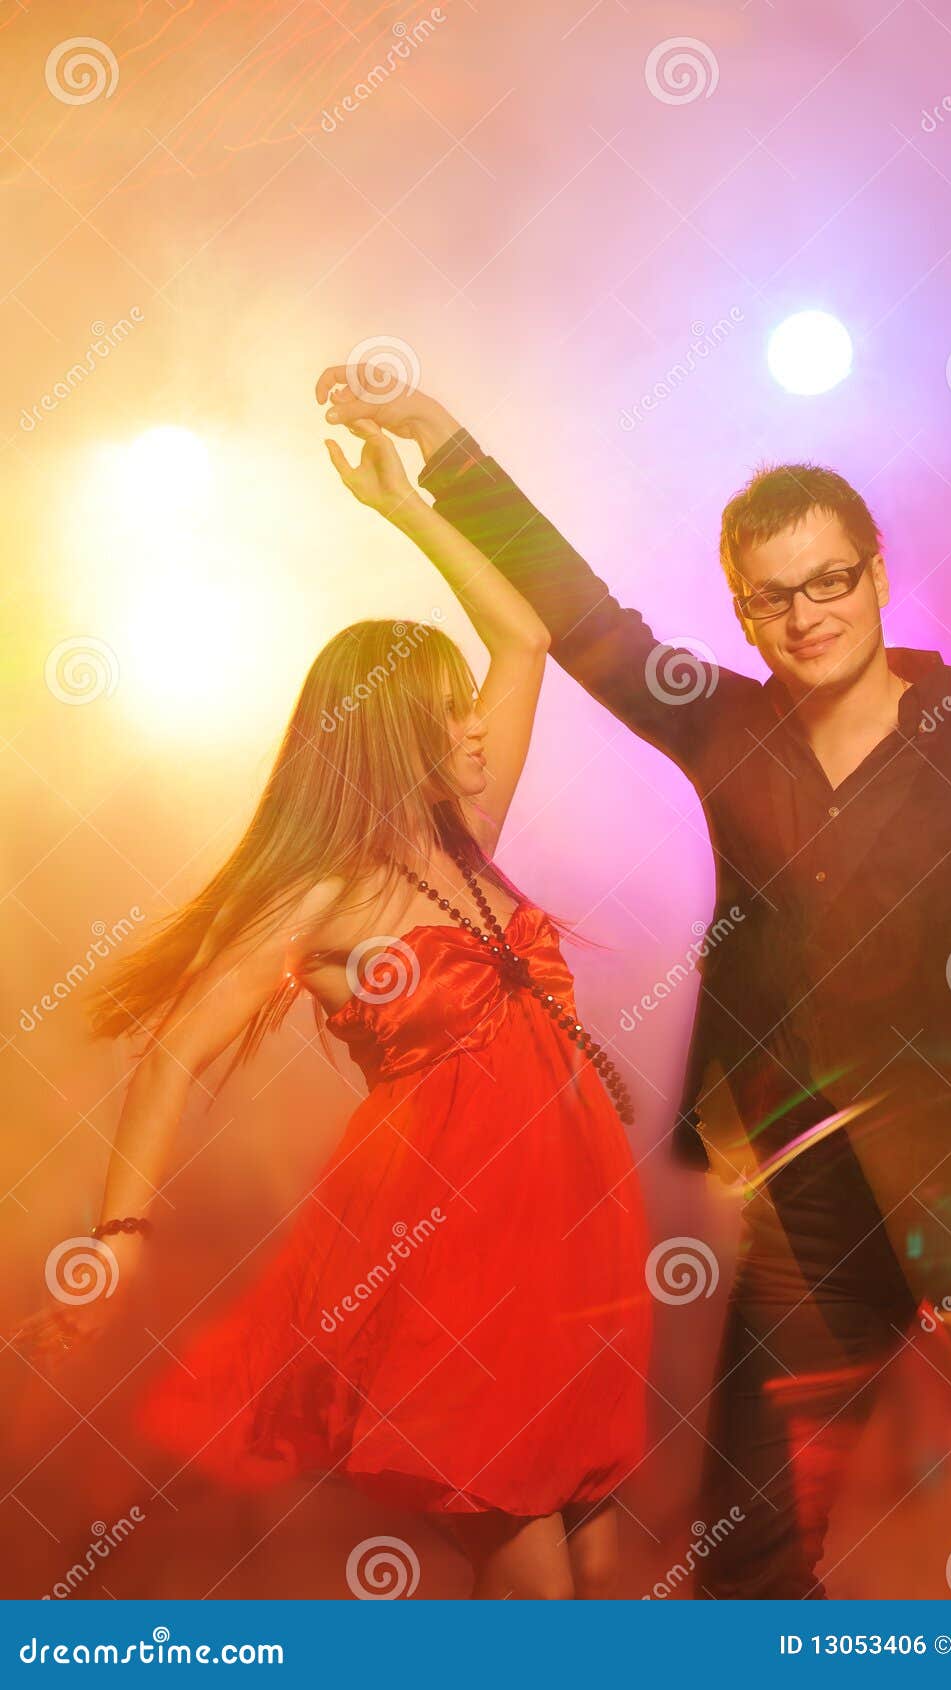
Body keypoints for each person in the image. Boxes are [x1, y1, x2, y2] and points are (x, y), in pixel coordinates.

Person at [316, 363, 951, 1599]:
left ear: (878, 575)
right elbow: (583, 620)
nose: (807, 615)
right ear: (744, 613)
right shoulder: (729, 729)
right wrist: (445, 444)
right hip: (805, 1200)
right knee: (749, 1552)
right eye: (773, 597)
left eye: (830, 580)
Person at [11, 415, 652, 1602]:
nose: (477, 723)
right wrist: (119, 1238)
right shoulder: (320, 897)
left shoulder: (470, 840)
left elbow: (523, 635)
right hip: (448, 1254)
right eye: (450, 709)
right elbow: (173, 1053)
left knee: (601, 1567)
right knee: (537, 1585)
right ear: (396, 734)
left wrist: (404, 507)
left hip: (571, 1240)